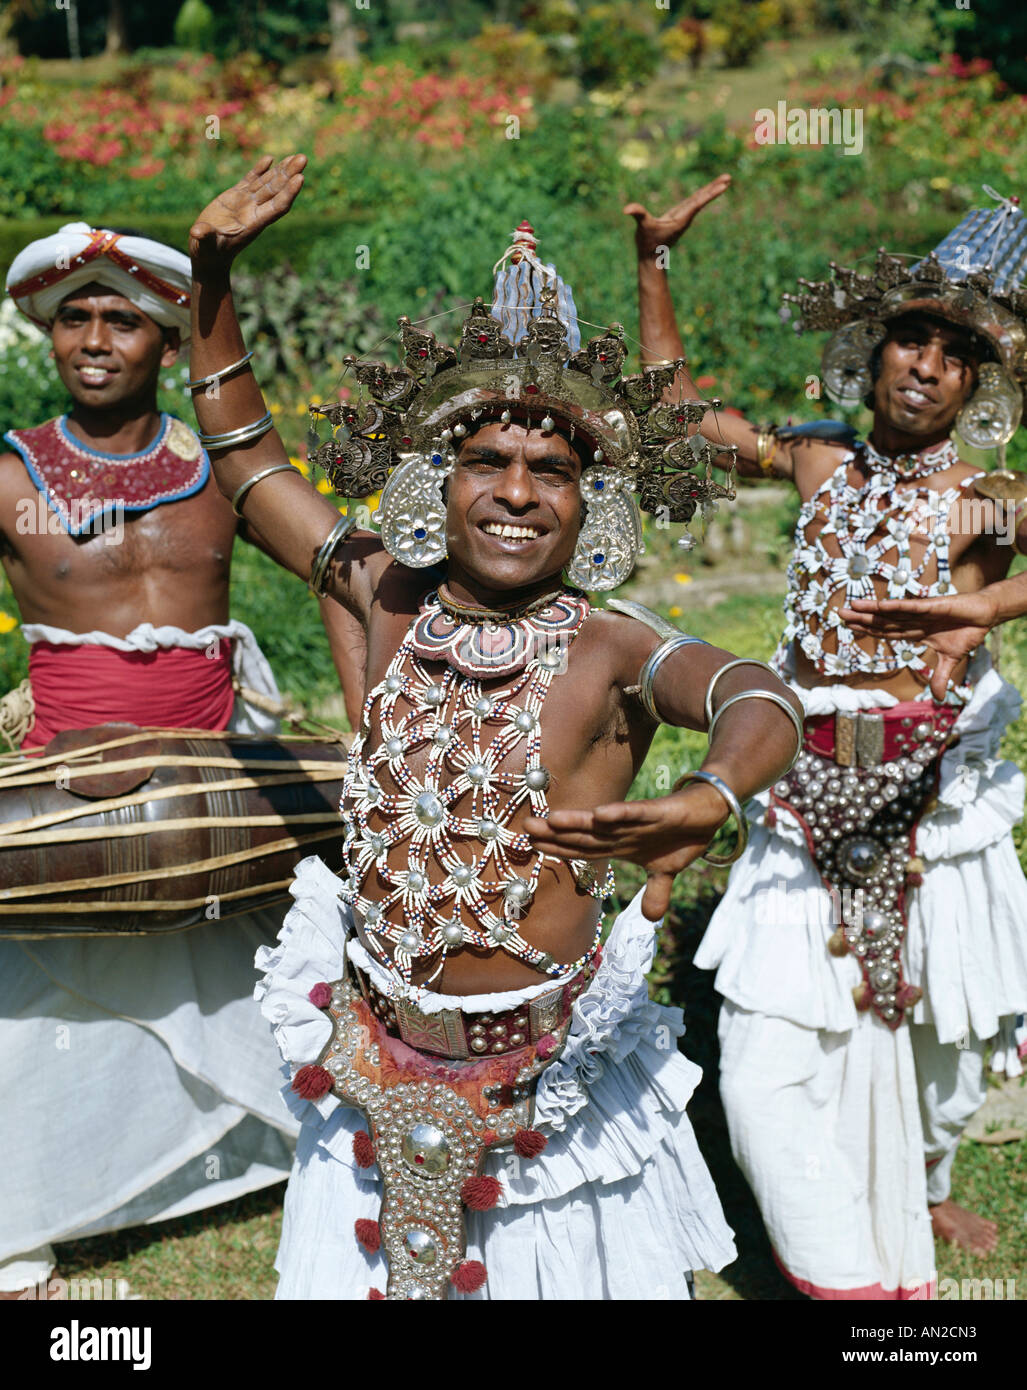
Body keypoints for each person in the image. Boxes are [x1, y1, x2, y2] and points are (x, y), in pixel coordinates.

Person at [186, 154, 805, 1300]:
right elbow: (248, 460)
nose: (517, 492)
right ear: (438, 478)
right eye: (488, 460)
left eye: (552, 472)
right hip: (369, 1054)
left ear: (594, 503)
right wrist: (210, 275)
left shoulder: (614, 645)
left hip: (547, 1082)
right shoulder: (379, 590)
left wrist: (707, 795)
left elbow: (757, 695)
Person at [625, 176, 1027, 1297]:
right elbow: (676, 414)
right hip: (801, 796)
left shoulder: (982, 498)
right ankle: (844, 1278)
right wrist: (655, 267)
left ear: (978, 383)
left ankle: (931, 1177)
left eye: (956, 353)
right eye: (911, 338)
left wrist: (984, 608)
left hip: (933, 808)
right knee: (761, 1064)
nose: (925, 365)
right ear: (874, 349)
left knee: (942, 1059)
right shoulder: (815, 458)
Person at [0, 221, 349, 1298]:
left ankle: (267, 1158)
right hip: (69, 788)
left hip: (220, 781)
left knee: (283, 977)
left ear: (163, 340)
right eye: (75, 317)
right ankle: (20, 1217)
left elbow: (340, 565)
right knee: (39, 1018)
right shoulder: (7, 468)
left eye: (124, 318)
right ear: (48, 334)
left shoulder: (225, 472)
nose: (96, 338)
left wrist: (369, 724)